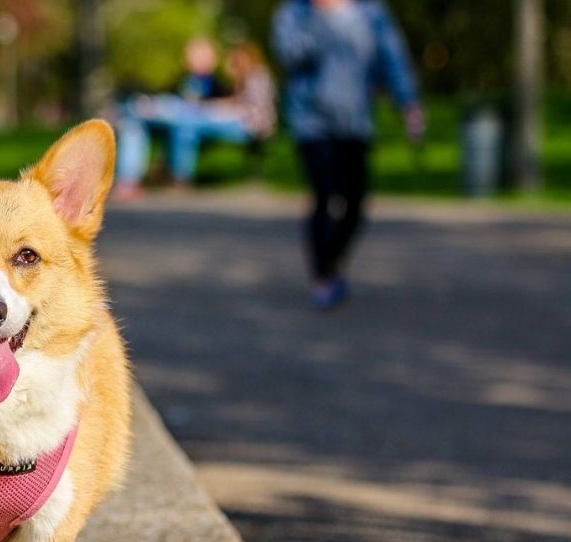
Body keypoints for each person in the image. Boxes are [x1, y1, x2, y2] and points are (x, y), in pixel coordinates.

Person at [273, 0, 425, 310]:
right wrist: (321, 18)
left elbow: (391, 57)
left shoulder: (371, 13)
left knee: (356, 201)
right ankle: (323, 276)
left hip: (356, 121)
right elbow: (290, 55)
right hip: (312, 122)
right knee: (325, 195)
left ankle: (333, 259)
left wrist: (408, 103)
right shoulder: (295, 13)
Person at [114, 40, 276, 199]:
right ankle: (132, 179)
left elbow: (246, 108)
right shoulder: (186, 79)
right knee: (136, 122)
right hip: (194, 118)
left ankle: (176, 176)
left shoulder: (253, 76)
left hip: (250, 126)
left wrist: (215, 105)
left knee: (184, 122)